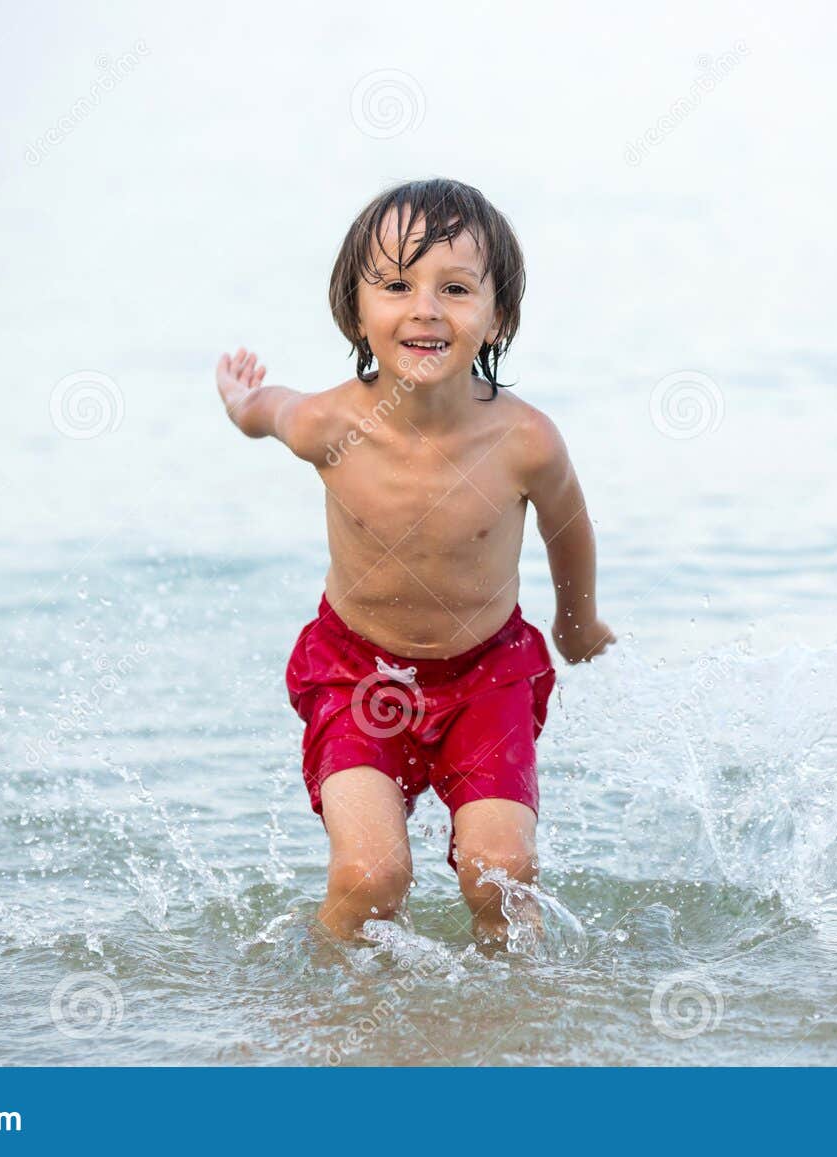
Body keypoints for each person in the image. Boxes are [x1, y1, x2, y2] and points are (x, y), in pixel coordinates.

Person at [214, 178, 613, 946]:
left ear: (498, 315)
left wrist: (577, 621)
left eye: (456, 288)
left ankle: (519, 1026)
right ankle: (328, 1005)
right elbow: (270, 410)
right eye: (396, 284)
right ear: (357, 311)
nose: (425, 308)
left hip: (486, 677)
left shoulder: (526, 441)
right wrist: (241, 403)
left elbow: (570, 528)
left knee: (502, 872)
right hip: (357, 671)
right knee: (371, 876)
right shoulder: (331, 423)